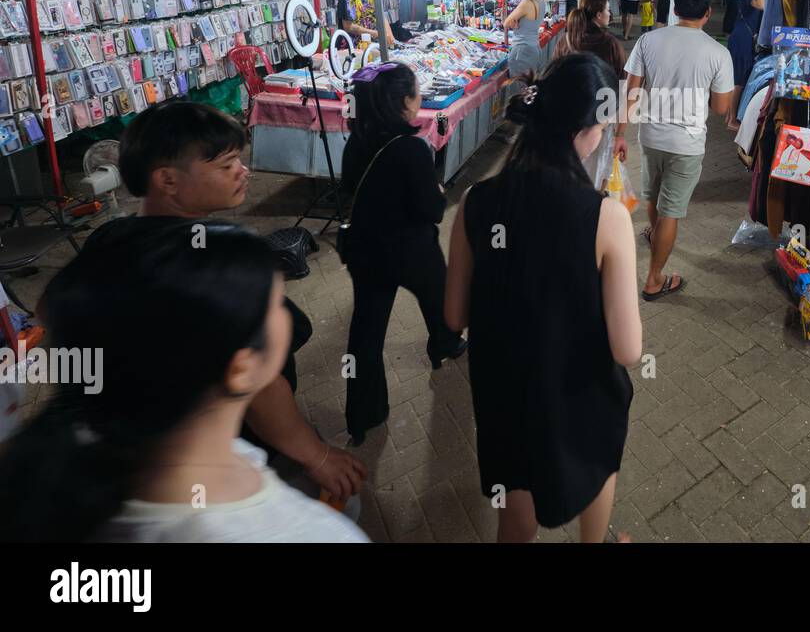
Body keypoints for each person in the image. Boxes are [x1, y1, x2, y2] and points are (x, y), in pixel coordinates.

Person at [0, 221, 368, 542]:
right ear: (241, 367)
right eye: (275, 303)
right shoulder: (308, 535)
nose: (288, 313)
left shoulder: (62, 460)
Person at [92, 101, 367, 502]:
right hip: (222, 446)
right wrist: (317, 455)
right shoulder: (212, 259)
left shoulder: (109, 238)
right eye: (226, 165)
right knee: (343, 503)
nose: (244, 171)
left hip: (145, 445)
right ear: (168, 180)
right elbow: (256, 382)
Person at [445, 53, 642, 542]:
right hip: (577, 390)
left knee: (515, 501)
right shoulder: (607, 218)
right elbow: (628, 350)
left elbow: (453, 317)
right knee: (596, 460)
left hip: (503, 388)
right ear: (586, 129)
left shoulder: (475, 202)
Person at [341, 63, 467, 443]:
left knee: (366, 332)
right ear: (401, 103)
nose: (419, 100)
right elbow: (430, 209)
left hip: (366, 251)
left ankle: (365, 415)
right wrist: (439, 194)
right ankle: (445, 344)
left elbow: (350, 190)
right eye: (416, 94)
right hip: (411, 251)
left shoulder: (357, 141)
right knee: (440, 299)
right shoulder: (412, 148)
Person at [624, 0, 733, 300]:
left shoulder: (648, 40)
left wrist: (618, 134)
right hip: (686, 143)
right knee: (670, 210)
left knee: (653, 196)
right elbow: (720, 107)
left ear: (673, 8)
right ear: (708, 12)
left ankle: (655, 234)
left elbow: (630, 93)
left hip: (650, 136)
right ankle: (654, 279)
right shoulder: (718, 53)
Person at [555, 0, 629, 188]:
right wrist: (620, 131)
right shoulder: (610, 44)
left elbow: (554, 78)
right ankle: (592, 209)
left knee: (569, 169)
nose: (609, 14)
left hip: (568, 118)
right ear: (598, 15)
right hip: (601, 120)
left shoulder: (565, 40)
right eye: (607, 9)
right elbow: (623, 86)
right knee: (597, 172)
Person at [726, 0, 765, 130]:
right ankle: (731, 119)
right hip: (742, 39)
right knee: (738, 81)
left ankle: (730, 116)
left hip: (746, 38)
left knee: (740, 79)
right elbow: (760, 5)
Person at [505, 0, 546, 78]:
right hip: (534, 49)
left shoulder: (526, 3)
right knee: (530, 89)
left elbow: (506, 23)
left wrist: (514, 23)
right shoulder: (542, 2)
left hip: (521, 52)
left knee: (519, 90)